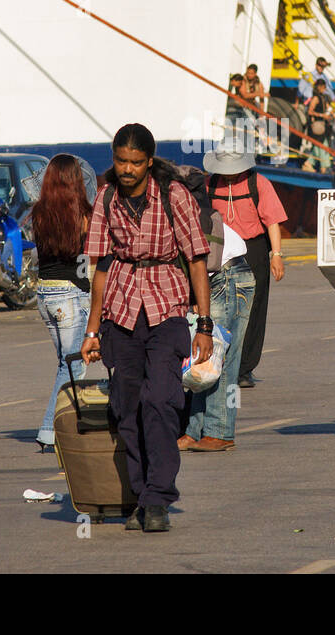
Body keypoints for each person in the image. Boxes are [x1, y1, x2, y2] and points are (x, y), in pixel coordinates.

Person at [80, 124, 213, 533]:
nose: (127, 169)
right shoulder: (105, 198)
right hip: (121, 313)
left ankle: (158, 498)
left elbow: (195, 261)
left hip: (168, 309)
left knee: (161, 400)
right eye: (121, 161)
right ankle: (139, 497)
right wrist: (91, 329)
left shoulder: (175, 197)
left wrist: (204, 324)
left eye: (136, 163)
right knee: (127, 406)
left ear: (149, 162)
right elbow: (100, 266)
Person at [181, 145, 268, 450]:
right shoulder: (200, 211)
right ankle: (195, 430)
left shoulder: (193, 218)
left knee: (216, 355)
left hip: (227, 279)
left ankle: (218, 432)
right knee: (205, 356)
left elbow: (205, 265)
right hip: (234, 275)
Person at [204, 146, 286, 390]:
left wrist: (277, 255)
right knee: (217, 307)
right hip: (219, 248)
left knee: (253, 308)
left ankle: (245, 368)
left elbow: (272, 221)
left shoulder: (258, 183)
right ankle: (219, 362)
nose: (229, 175)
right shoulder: (209, 184)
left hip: (253, 250)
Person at [31, 155, 92, 451]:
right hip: (70, 293)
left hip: (45, 293)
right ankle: (50, 429)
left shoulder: (39, 212)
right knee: (73, 366)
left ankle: (61, 426)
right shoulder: (82, 214)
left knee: (64, 363)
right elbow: (84, 260)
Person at [303, 78, 335, 173]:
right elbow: (310, 111)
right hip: (317, 126)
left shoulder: (323, 98)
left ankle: (308, 163)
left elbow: (328, 109)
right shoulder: (316, 98)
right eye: (323, 87)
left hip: (322, 126)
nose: (324, 89)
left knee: (318, 147)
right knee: (323, 146)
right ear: (319, 87)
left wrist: (333, 113)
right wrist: (322, 115)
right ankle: (324, 167)